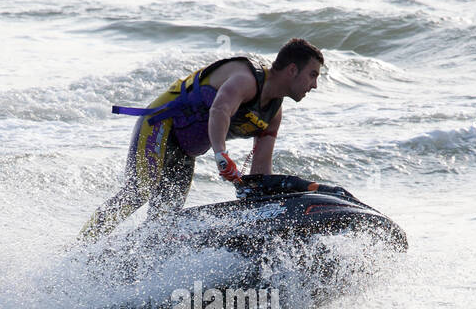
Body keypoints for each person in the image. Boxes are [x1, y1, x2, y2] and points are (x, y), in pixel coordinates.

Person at [77, 38, 324, 242]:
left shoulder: (273, 114)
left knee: (164, 220)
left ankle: (128, 266)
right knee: (139, 192)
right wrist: (220, 154)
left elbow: (261, 170)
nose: (314, 85)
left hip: (185, 152)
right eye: (312, 75)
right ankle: (80, 248)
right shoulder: (246, 78)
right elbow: (220, 110)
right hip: (159, 127)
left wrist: (265, 203)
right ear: (292, 69)